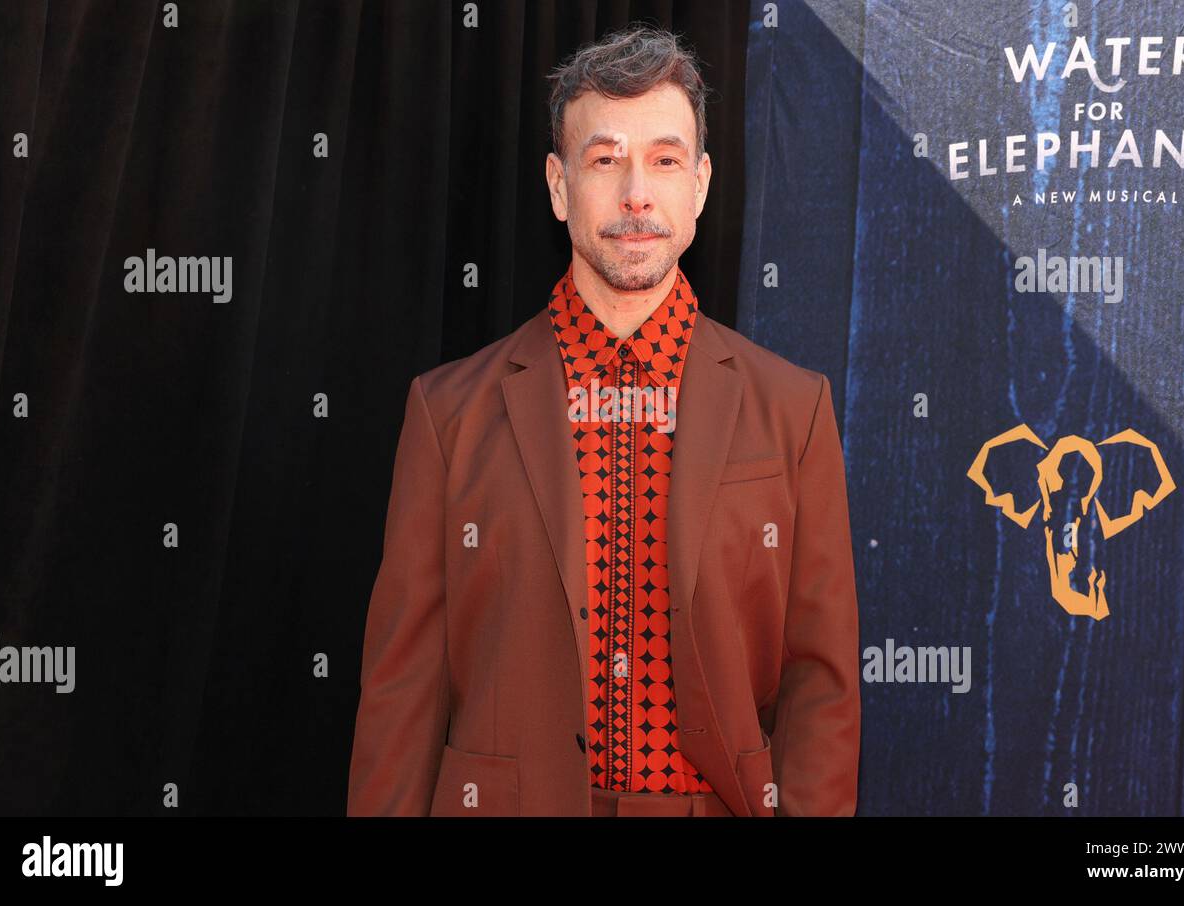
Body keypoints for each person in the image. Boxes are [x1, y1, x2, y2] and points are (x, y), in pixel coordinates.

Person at [347, 23, 860, 817]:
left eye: (663, 159)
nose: (635, 195)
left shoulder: (795, 411)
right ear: (558, 187)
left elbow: (820, 682)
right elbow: (401, 691)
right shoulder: (446, 413)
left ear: (701, 183)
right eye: (604, 159)